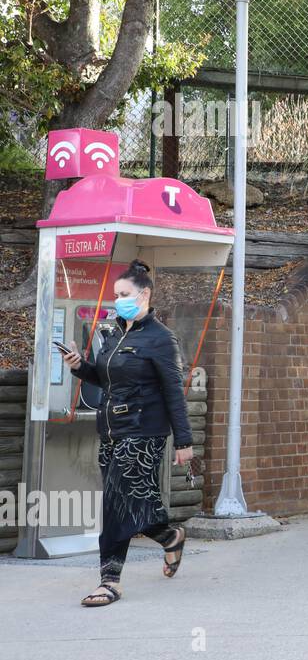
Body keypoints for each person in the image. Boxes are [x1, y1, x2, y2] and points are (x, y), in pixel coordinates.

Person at [57, 259, 195, 607]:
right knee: (129, 502)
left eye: (124, 294)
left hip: (144, 432)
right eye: (115, 294)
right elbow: (105, 379)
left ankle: (110, 581)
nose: (117, 300)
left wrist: (184, 441)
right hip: (112, 431)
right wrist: (79, 367)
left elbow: (173, 391)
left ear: (144, 294)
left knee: (116, 504)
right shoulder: (114, 333)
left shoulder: (161, 339)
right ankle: (169, 535)